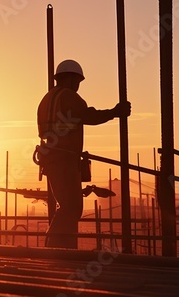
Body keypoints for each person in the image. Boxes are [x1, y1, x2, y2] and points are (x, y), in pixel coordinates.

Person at [36, 60, 130, 249]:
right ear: (71, 79)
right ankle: (60, 250)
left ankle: (57, 248)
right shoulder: (68, 96)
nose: (78, 86)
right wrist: (115, 112)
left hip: (53, 159)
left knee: (67, 206)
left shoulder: (48, 98)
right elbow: (88, 116)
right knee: (71, 207)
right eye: (78, 81)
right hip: (64, 159)